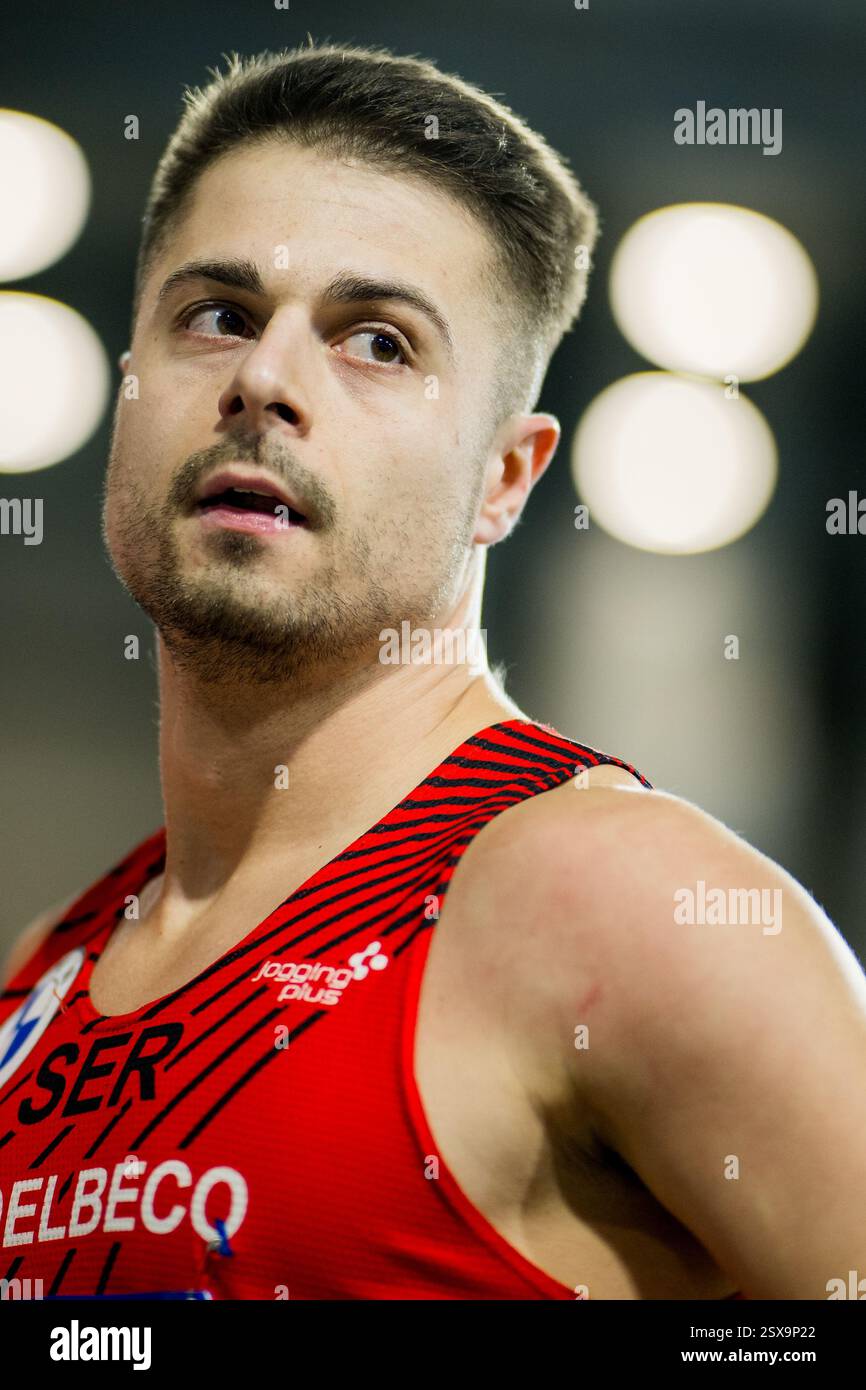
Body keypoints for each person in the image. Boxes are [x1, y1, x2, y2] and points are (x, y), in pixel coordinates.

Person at [1, 41, 863, 1302]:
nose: (264, 379)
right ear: (128, 387)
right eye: (217, 316)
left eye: (379, 342)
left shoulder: (620, 906)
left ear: (507, 478)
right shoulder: (44, 971)